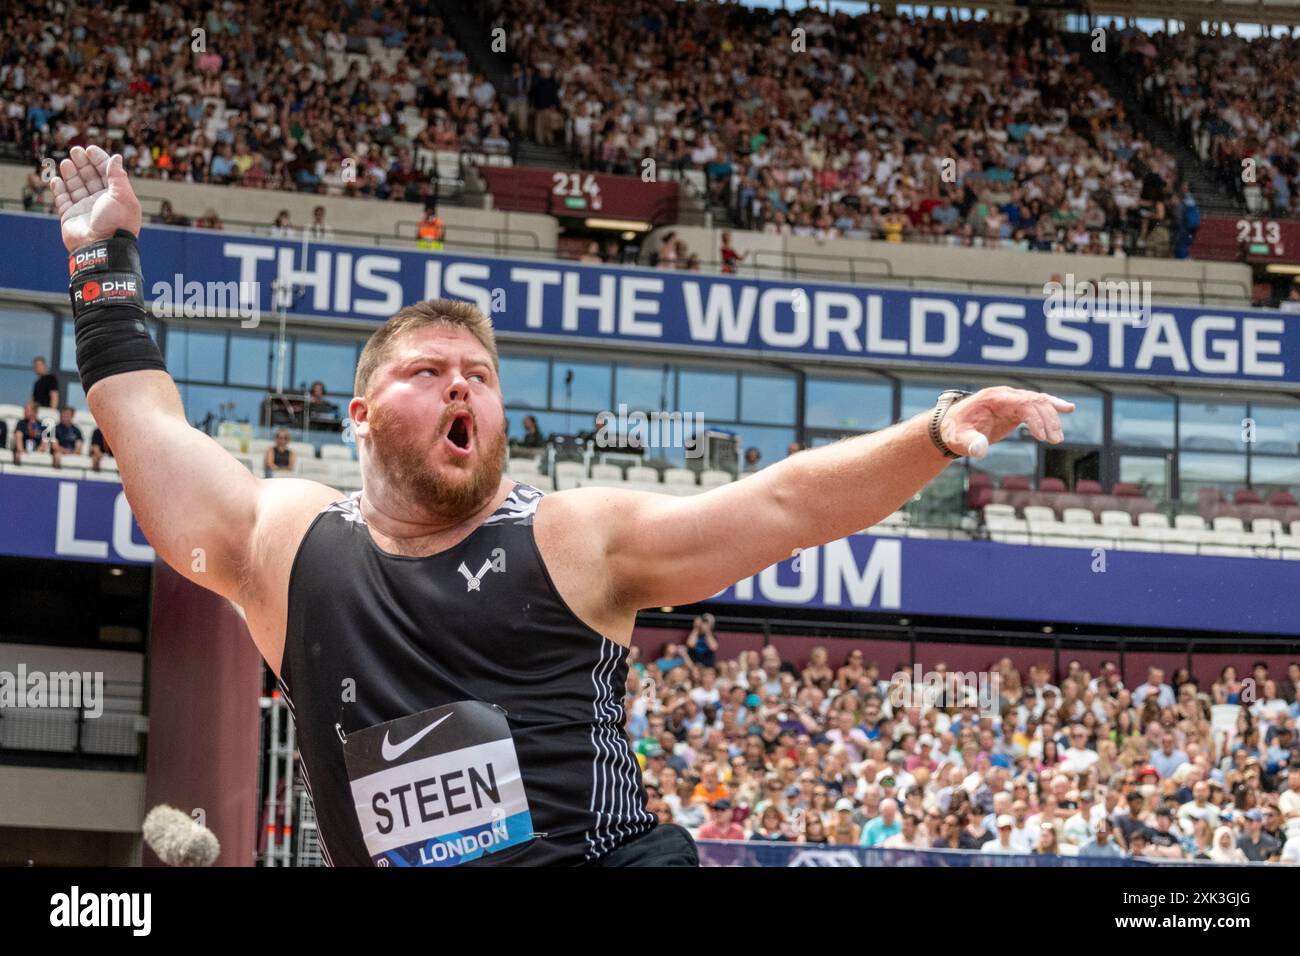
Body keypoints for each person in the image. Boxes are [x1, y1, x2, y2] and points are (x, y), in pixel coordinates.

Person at [50, 143, 1072, 867]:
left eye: (479, 375)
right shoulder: (288, 543)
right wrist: (103, 261)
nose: (462, 386)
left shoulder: (570, 536)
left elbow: (785, 501)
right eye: (429, 371)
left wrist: (931, 434)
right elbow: (149, 427)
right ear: (359, 413)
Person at [12, 401, 49, 465]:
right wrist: (22, 450)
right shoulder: (21, 423)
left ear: (34, 412)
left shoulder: (42, 426)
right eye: (24, 410)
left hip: (37, 451)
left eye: (27, 410)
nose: (24, 412)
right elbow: (18, 438)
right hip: (23, 450)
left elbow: (44, 443)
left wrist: (36, 452)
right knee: (18, 455)